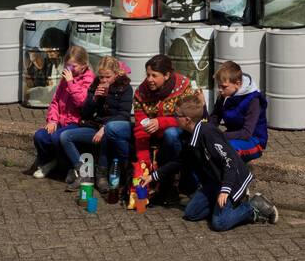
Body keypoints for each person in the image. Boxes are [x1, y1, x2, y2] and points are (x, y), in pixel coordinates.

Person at [170, 94, 278, 231]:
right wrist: (152, 177)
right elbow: (178, 161)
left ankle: (253, 206)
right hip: (215, 181)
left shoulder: (208, 133)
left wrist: (225, 189)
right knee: (191, 213)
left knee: (219, 223)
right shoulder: (190, 134)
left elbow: (230, 161)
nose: (173, 117)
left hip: (232, 181)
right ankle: (225, 208)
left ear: (186, 120)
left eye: (176, 114)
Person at [54, 56, 134, 194]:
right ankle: (84, 174)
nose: (103, 80)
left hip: (111, 128)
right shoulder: (96, 84)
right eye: (101, 77)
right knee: (65, 136)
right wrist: (94, 99)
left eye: (107, 77)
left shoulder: (125, 88)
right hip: (94, 125)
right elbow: (85, 113)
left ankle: (101, 175)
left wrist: (105, 127)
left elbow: (124, 114)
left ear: (116, 74)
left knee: (107, 135)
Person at [30, 45, 95, 187]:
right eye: (67, 66)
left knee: (57, 137)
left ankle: (65, 166)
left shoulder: (89, 80)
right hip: (61, 120)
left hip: (76, 121)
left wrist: (71, 82)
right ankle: (47, 161)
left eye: (74, 66)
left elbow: (82, 102)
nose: (70, 69)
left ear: (84, 66)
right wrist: (52, 119)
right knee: (40, 136)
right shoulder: (65, 79)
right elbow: (55, 101)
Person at [132, 54, 193, 200]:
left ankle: (173, 181)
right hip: (151, 135)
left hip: (180, 132)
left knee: (171, 134)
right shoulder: (141, 92)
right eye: (147, 75)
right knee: (115, 129)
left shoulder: (184, 85)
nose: (149, 80)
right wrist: (143, 164)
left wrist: (161, 122)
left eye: (154, 75)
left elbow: (189, 118)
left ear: (166, 75)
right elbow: (141, 127)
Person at [208, 61, 269, 161]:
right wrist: (207, 130)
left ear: (238, 83)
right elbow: (215, 117)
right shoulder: (224, 95)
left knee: (225, 149)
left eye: (223, 86)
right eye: (218, 86)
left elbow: (246, 133)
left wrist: (221, 135)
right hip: (233, 136)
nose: (220, 90)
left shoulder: (253, 100)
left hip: (254, 141)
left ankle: (237, 176)